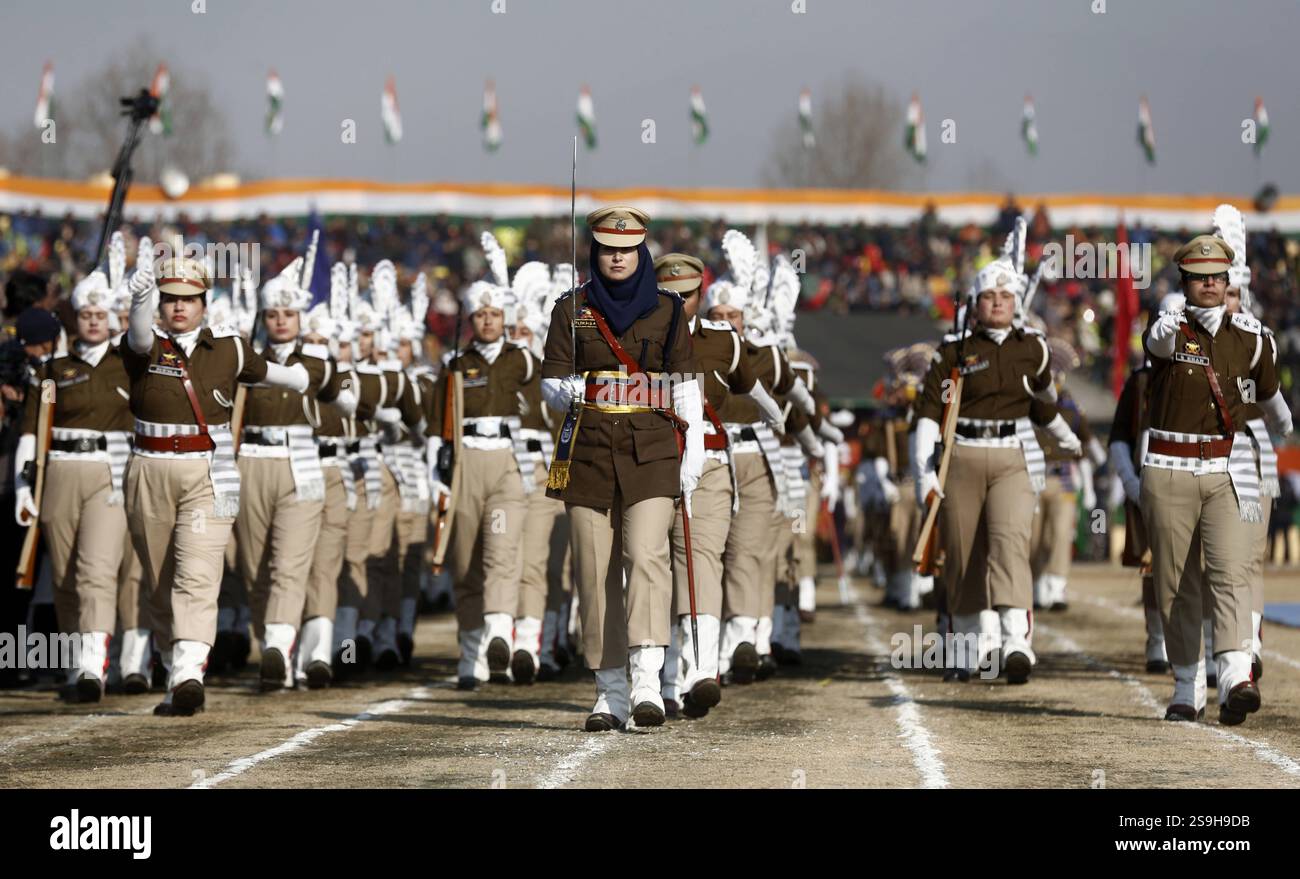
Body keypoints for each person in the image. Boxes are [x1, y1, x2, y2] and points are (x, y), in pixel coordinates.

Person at [121, 240, 311, 716]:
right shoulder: (144, 347)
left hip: (210, 471)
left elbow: (270, 371)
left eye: (187, 298)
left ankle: (188, 671)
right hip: (149, 468)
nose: (178, 306)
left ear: (205, 304)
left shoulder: (228, 347)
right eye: (170, 298)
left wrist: (316, 382)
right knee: (160, 579)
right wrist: (139, 301)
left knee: (198, 573)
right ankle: (173, 667)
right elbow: (140, 336)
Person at [540, 205, 702, 731]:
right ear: (595, 250)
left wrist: (693, 452)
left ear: (641, 252)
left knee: (647, 556)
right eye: (608, 249)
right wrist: (559, 392)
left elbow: (684, 386)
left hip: (652, 447)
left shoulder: (668, 309)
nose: (617, 258)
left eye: (627, 250)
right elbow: (550, 378)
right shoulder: (572, 308)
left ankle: (649, 682)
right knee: (594, 569)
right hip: (586, 450)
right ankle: (609, 691)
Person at [913, 225, 1081, 684]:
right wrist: (921, 472)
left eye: (1007, 296)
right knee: (964, 554)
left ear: (1017, 302)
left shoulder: (1035, 350)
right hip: (962, 454)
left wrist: (1069, 439)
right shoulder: (953, 351)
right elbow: (928, 414)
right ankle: (967, 649)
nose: (999, 302)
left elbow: (1044, 405)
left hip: (1014, 453)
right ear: (975, 302)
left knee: (1010, 542)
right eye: (990, 296)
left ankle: (1016, 642)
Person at [1141, 234, 1291, 725]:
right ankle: (1188, 685)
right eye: (1200, 278)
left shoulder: (1251, 337)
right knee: (1176, 583)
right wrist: (1180, 315)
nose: (1210, 285)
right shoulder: (1167, 328)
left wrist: (1284, 428)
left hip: (1228, 468)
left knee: (1230, 572)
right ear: (1185, 283)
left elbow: (1269, 397)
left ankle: (1233, 676)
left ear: (1229, 282)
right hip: (1168, 468)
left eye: (1218, 278)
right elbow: (1158, 341)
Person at [654, 251, 784, 717]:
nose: (679, 303)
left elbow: (750, 385)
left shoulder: (721, 340)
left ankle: (699, 671)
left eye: (687, 296)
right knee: (651, 567)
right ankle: (658, 680)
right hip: (649, 463)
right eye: (669, 295)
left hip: (708, 463)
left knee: (701, 560)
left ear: (700, 295)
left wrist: (777, 415)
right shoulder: (638, 336)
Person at [13, 265, 139, 701]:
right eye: (85, 313)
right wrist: (23, 486)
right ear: (75, 319)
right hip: (60, 472)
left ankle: (92, 664)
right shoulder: (52, 372)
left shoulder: (130, 366)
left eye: (99, 313)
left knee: (97, 570)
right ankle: (75, 663)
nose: (92, 320)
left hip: (110, 471)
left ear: (111, 318)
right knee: (65, 576)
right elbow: (33, 429)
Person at [234, 253, 356, 691]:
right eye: (273, 314)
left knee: (292, 565)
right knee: (254, 567)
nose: (281, 321)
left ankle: (282, 648)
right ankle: (272, 646)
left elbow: (335, 392)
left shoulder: (316, 359)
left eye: (289, 313)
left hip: (302, 464)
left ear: (301, 316)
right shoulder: (243, 359)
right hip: (249, 461)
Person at [425, 268, 531, 690]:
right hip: (466, 462)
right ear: (471, 320)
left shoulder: (522, 359)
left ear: (504, 317)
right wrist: (439, 474)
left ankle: (500, 633)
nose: (488, 320)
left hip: (506, 461)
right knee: (466, 562)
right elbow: (438, 428)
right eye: (481, 314)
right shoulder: (455, 364)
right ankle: (471, 653)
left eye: (494, 313)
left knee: (502, 551)